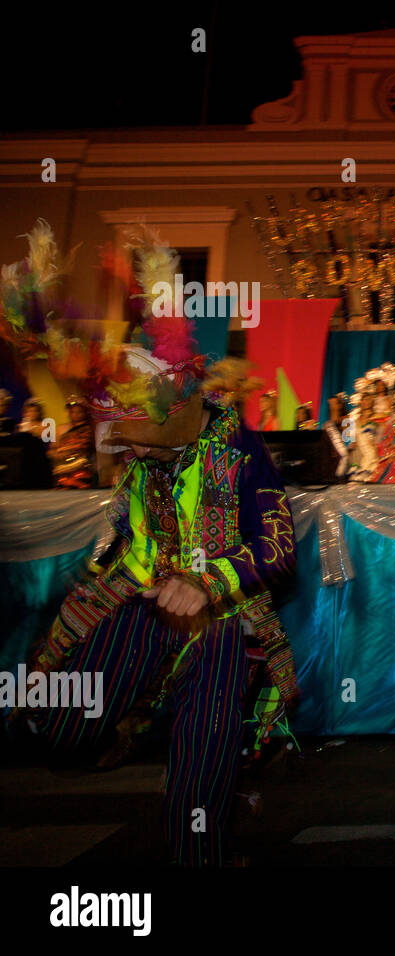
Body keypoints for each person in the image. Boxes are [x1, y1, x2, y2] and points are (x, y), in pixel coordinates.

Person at [19, 329, 299, 867]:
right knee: (61, 729)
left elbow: (278, 546)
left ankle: (202, 836)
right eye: (126, 439)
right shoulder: (143, 463)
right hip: (141, 612)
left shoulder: (240, 449)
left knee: (204, 747)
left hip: (220, 622)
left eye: (141, 436)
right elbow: (130, 543)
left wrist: (208, 579)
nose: (133, 450)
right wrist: (88, 604)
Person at [49, 399, 95, 489]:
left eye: (78, 411)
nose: (75, 414)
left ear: (85, 413)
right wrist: (54, 453)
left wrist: (63, 453)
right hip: (61, 470)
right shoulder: (63, 428)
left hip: (80, 469)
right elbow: (53, 447)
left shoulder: (88, 429)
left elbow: (81, 447)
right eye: (72, 411)